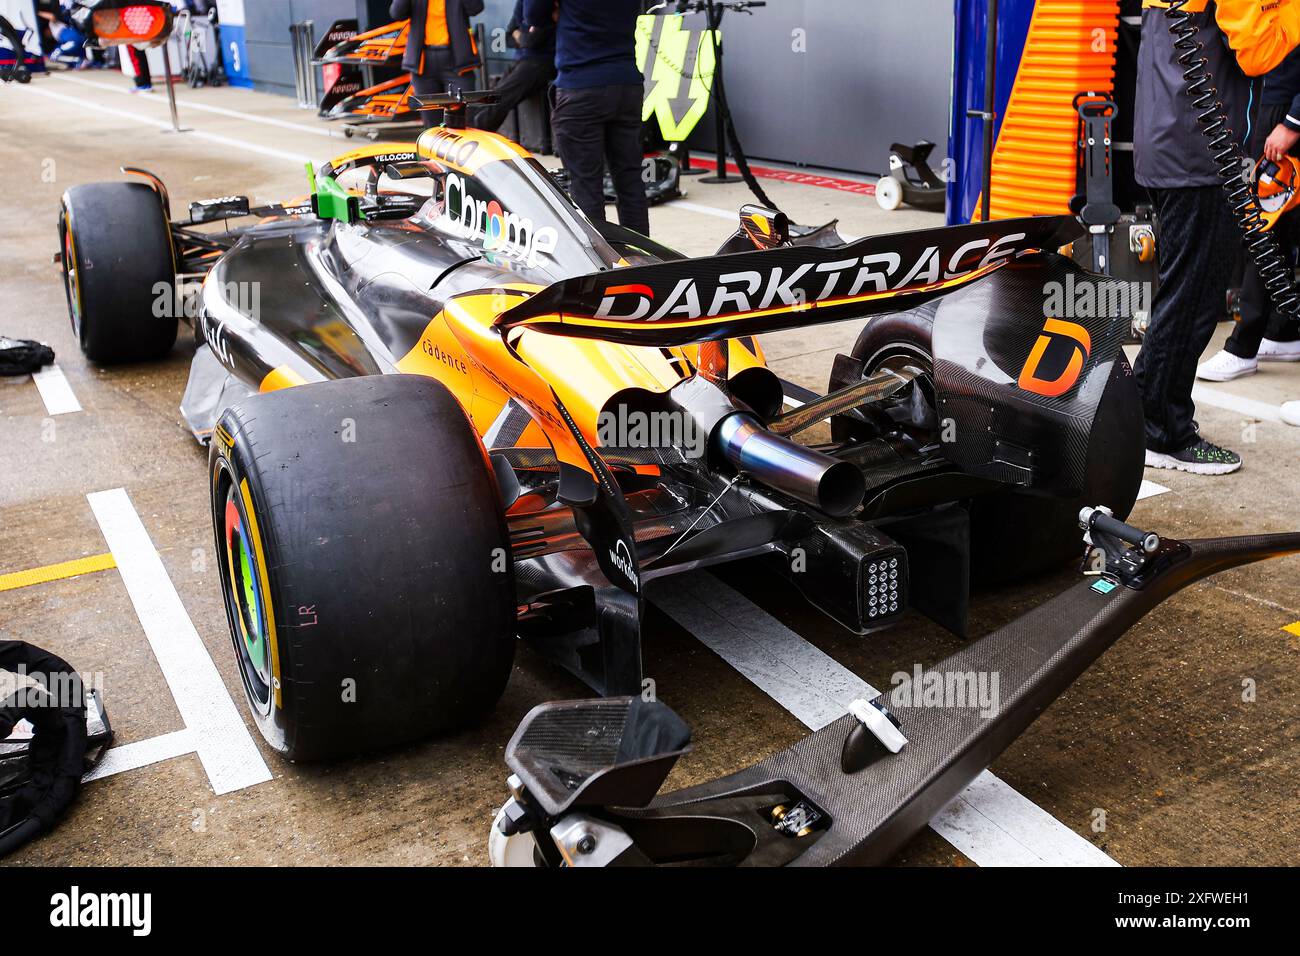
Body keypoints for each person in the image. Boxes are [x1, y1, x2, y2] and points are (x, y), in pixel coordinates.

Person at [1133, 0, 1300, 475]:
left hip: (1175, 142)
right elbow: (1258, 51)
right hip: (1201, 152)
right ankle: (1162, 432)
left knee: (1181, 294)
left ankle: (1144, 414)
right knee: (1192, 300)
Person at [1197, 47, 1300, 381]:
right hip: (1266, 101)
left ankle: (1243, 348)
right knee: (1276, 223)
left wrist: (1293, 120)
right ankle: (1284, 330)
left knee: (1263, 228)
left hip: (1282, 106)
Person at [524, 0, 649, 236]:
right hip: (626, 83)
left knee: (586, 184)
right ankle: (641, 253)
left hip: (581, 85)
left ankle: (597, 256)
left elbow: (533, 15)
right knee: (630, 179)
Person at [390, 0, 484, 128]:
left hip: (457, 62)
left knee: (461, 121)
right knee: (432, 126)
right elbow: (397, 13)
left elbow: (475, 8)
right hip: (424, 63)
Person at [472, 0, 556, 133]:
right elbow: (509, 35)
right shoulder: (522, 3)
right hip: (521, 61)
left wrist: (520, 35)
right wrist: (524, 37)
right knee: (493, 96)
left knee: (501, 97)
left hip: (543, 62)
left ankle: (477, 131)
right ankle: (472, 127)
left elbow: (533, 40)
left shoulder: (543, 6)